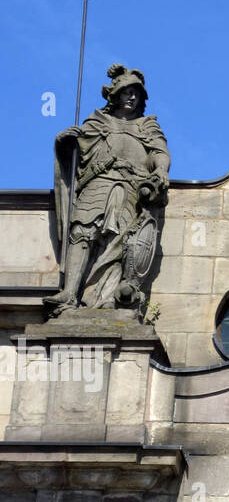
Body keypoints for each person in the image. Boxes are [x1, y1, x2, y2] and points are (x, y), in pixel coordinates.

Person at [44, 64, 170, 316]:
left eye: (137, 93)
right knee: (82, 232)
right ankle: (70, 293)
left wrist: (160, 171)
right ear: (115, 95)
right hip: (99, 183)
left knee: (120, 243)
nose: (132, 97)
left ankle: (108, 298)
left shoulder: (147, 126)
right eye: (126, 92)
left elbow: (160, 153)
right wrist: (64, 141)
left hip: (131, 186)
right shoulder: (97, 121)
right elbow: (76, 154)